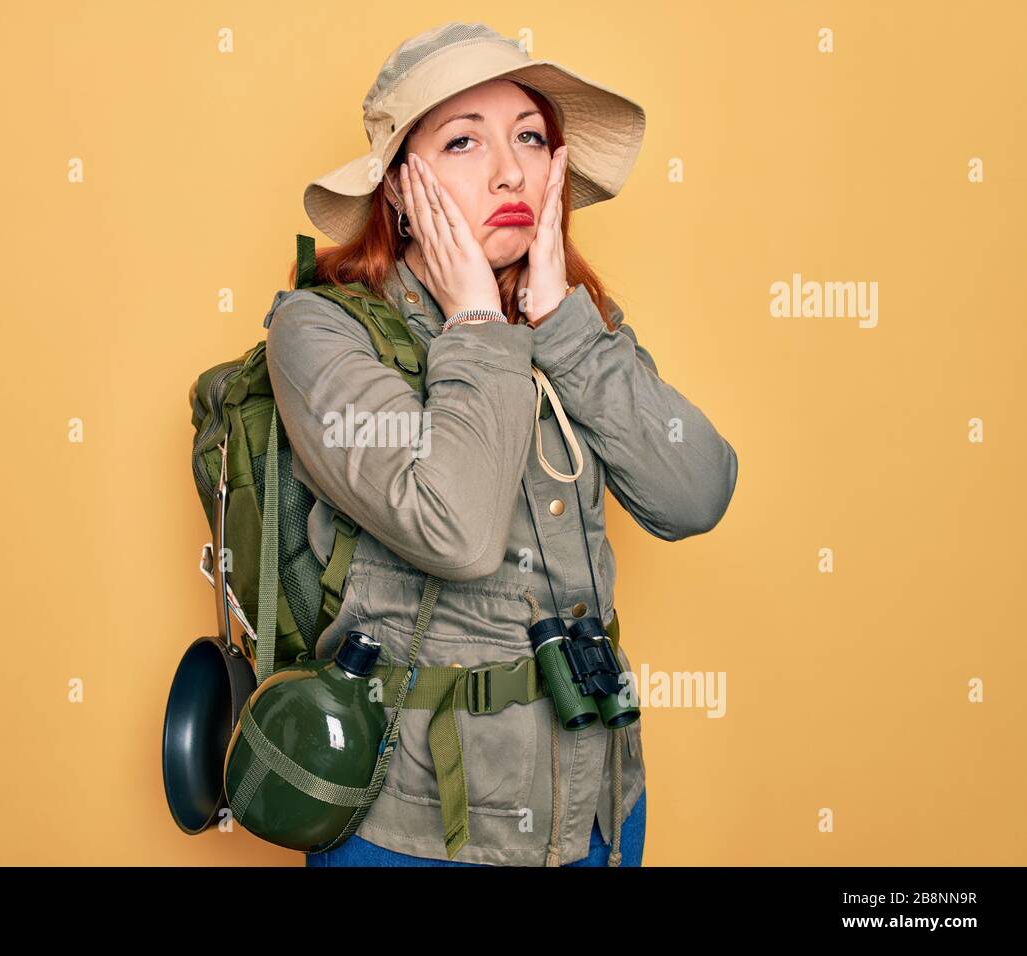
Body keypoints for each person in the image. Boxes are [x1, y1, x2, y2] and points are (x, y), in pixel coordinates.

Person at [264, 21, 738, 867]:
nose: (511, 170)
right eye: (463, 141)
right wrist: (478, 320)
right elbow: (459, 533)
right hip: (419, 826)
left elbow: (696, 493)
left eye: (528, 137)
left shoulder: (570, 327)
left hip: (594, 807)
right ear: (399, 190)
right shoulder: (321, 330)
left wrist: (563, 326)